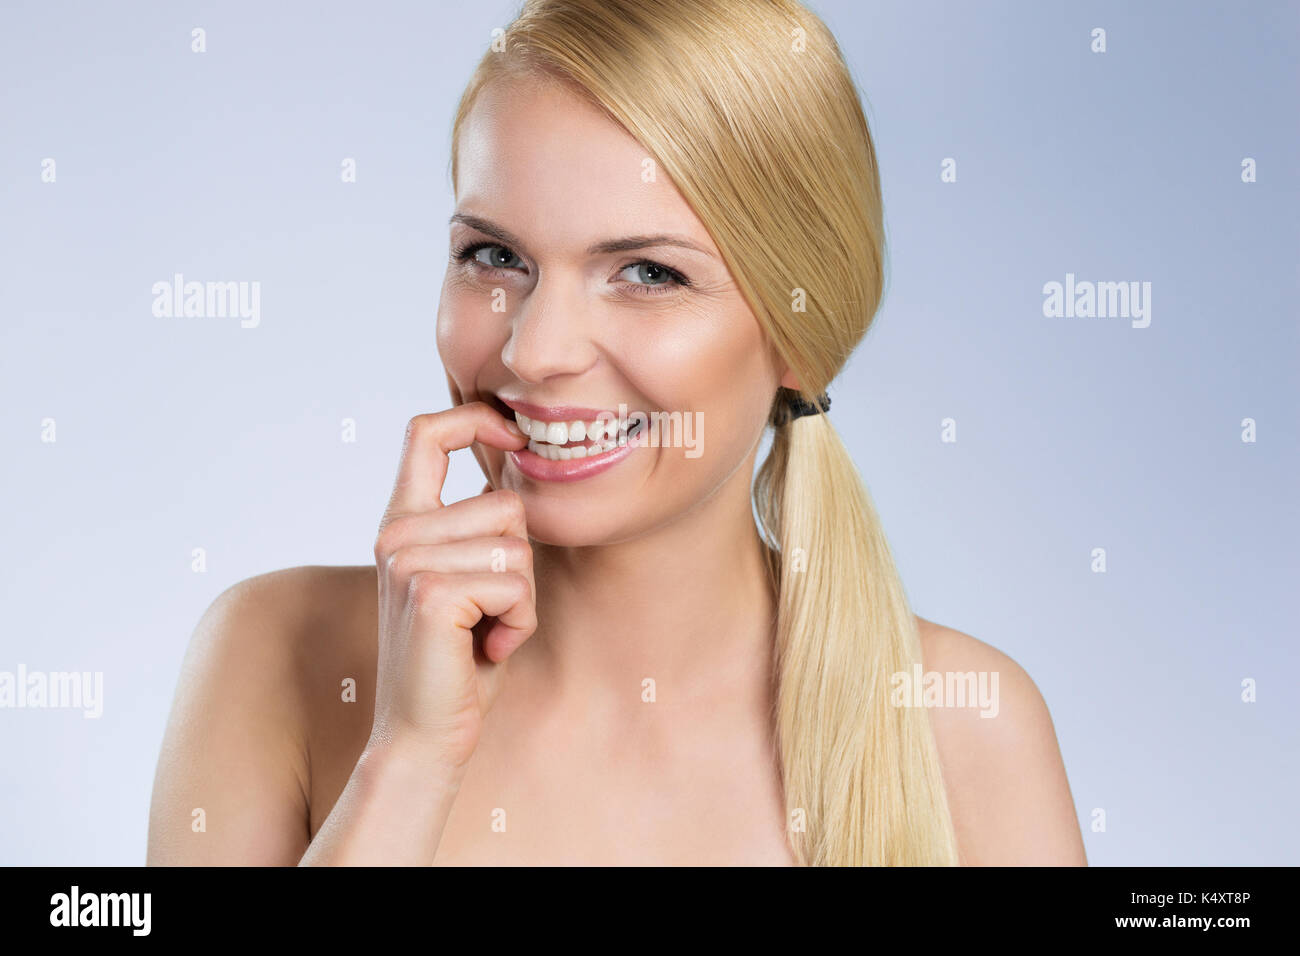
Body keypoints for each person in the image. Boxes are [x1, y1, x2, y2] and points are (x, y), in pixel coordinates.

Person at [147, 0, 1087, 866]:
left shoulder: (964, 727)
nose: (537, 347)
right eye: (496, 256)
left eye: (647, 273)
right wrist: (408, 762)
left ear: (799, 331)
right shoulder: (271, 653)